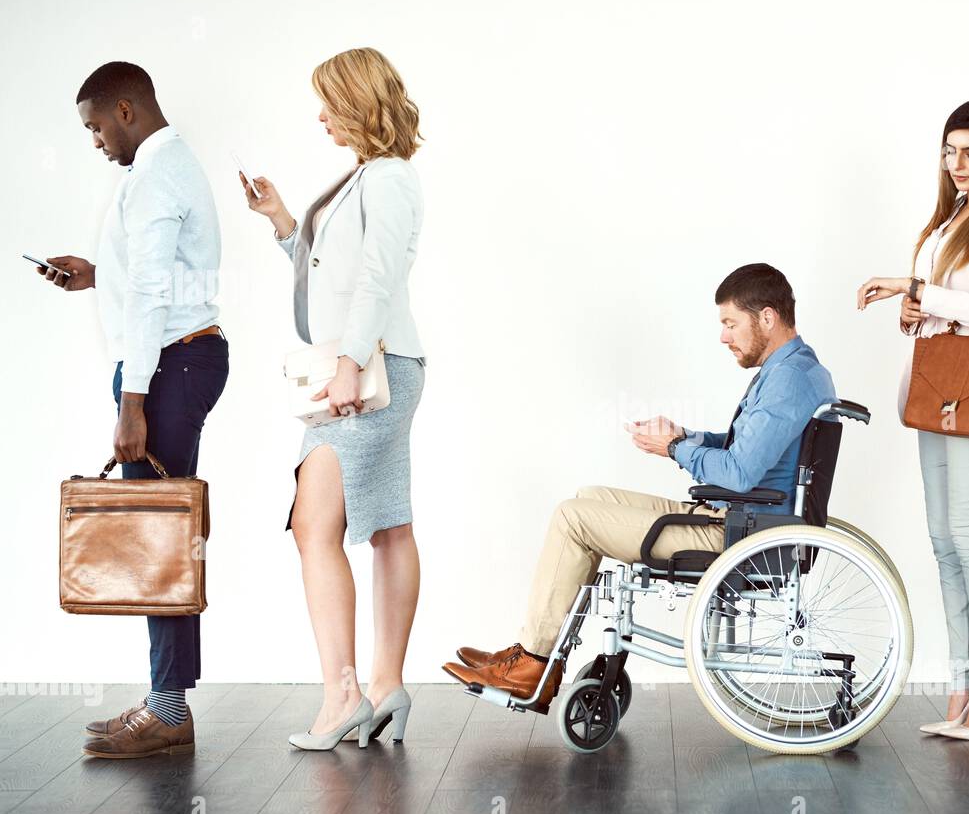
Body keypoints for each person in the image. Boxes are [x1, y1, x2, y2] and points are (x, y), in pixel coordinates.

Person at [442, 264, 836, 710]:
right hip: (741, 518)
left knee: (573, 519)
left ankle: (533, 661)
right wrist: (684, 436)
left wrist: (674, 449)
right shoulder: (793, 370)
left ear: (767, 317)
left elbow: (740, 473)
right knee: (590, 497)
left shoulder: (788, 380)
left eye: (730, 323)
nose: (723, 337)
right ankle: (539, 658)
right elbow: (745, 450)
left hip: (741, 534)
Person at [37, 61, 228, 758]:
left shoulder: (153, 174)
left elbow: (153, 297)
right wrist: (94, 276)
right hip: (176, 360)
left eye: (94, 127)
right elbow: (151, 278)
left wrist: (131, 402)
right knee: (162, 538)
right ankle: (164, 699)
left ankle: (169, 709)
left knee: (158, 542)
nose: (94, 141)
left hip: (168, 367)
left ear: (126, 109)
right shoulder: (162, 169)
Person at [241, 47, 427, 750]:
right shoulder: (366, 177)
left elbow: (376, 279)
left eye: (328, 101)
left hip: (370, 372)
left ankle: (344, 692)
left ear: (358, 99)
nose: (319, 115)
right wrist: (284, 220)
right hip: (373, 367)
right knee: (385, 525)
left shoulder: (388, 179)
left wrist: (348, 364)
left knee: (315, 525)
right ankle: (385, 687)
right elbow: (333, 272)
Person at [856, 99, 969, 740]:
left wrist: (916, 294)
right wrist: (916, 309)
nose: (957, 164)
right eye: (949, 151)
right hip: (936, 390)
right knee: (943, 540)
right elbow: (948, 306)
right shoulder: (953, 215)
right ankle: (963, 687)